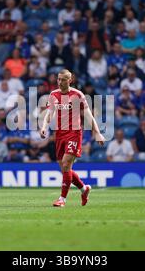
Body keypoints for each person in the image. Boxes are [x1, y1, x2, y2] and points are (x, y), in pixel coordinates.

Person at [40, 69, 105, 207]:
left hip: (74, 133)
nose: (60, 82)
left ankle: (62, 199)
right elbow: (49, 113)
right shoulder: (53, 95)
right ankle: (84, 189)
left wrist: (97, 132)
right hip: (59, 134)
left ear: (70, 80)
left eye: (63, 79)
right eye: (58, 79)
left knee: (66, 164)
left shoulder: (78, 95)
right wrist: (44, 126)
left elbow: (88, 116)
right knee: (65, 169)